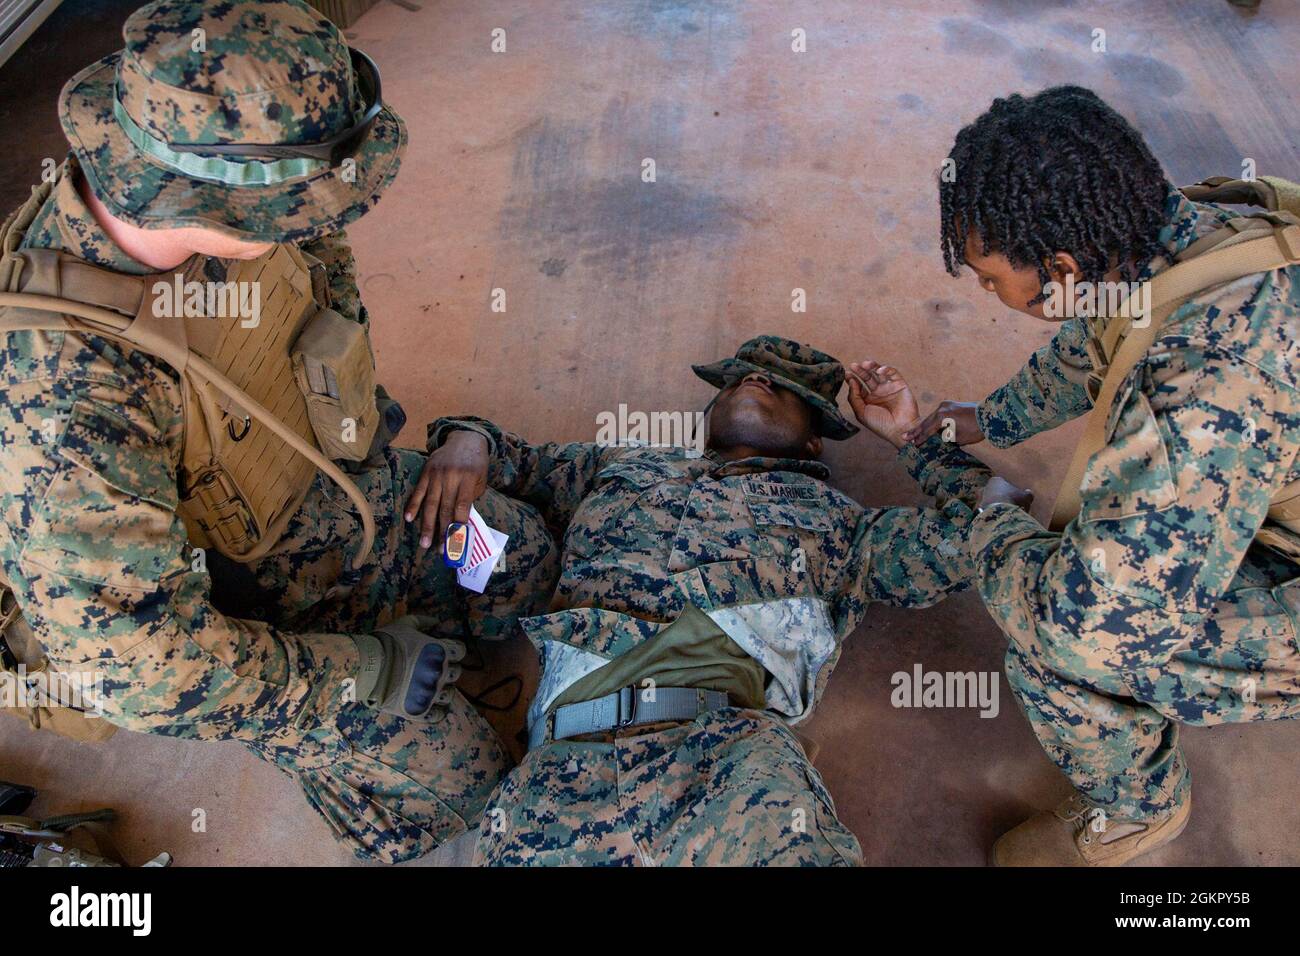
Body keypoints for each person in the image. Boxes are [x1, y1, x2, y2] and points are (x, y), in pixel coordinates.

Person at [0, 0, 557, 864]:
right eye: (308, 199)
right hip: (256, 627)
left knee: (523, 563)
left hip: (336, 501)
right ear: (223, 205)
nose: (327, 212)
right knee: (469, 801)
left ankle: (424, 623)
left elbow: (322, 278)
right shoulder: (64, 393)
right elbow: (138, 667)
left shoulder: (244, 205)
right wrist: (358, 670)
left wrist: (389, 443)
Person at [409, 335, 1031, 865]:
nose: (756, 377)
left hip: (723, 762)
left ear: (813, 443)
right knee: (437, 491)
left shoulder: (845, 527)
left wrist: (912, 437)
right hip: (567, 749)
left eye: (786, 388)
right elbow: (515, 460)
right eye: (739, 375)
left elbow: (992, 522)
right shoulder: (625, 465)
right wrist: (467, 439)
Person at [907, 85, 1300, 865]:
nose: (988, 293)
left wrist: (992, 519)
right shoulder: (1191, 230)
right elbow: (1099, 337)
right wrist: (988, 419)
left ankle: (1138, 810)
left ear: (1059, 267)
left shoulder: (1206, 384)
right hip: (1265, 472)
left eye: (991, 278)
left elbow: (1090, 628)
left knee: (1054, 644)